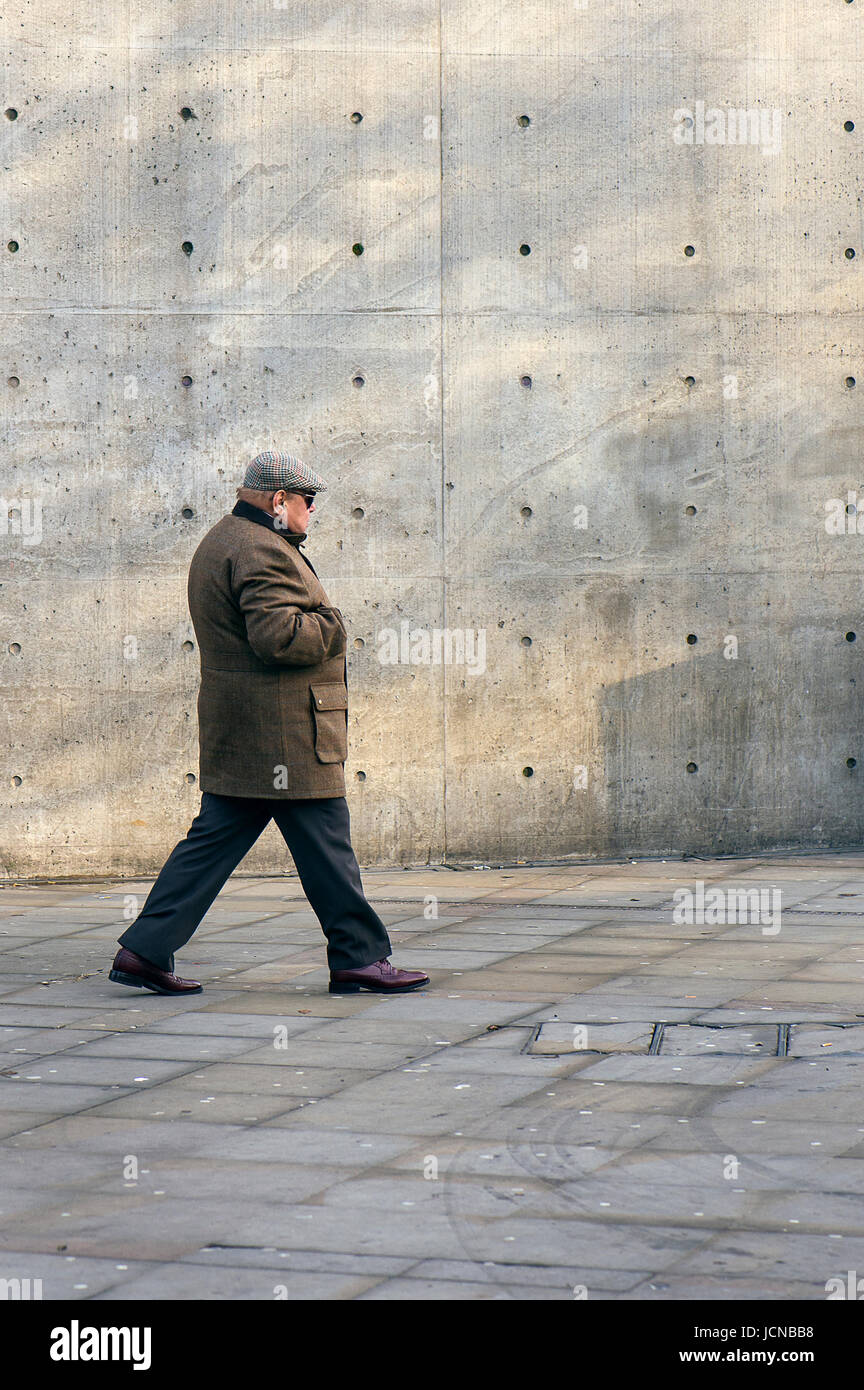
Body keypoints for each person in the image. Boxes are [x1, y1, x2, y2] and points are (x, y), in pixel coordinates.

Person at [109, 450, 429, 997]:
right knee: (327, 847)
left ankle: (144, 949)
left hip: (248, 732)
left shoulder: (225, 537)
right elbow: (278, 636)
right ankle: (359, 958)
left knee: (213, 842)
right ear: (279, 500)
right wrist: (333, 626)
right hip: (286, 735)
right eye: (308, 501)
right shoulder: (261, 548)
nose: (311, 513)